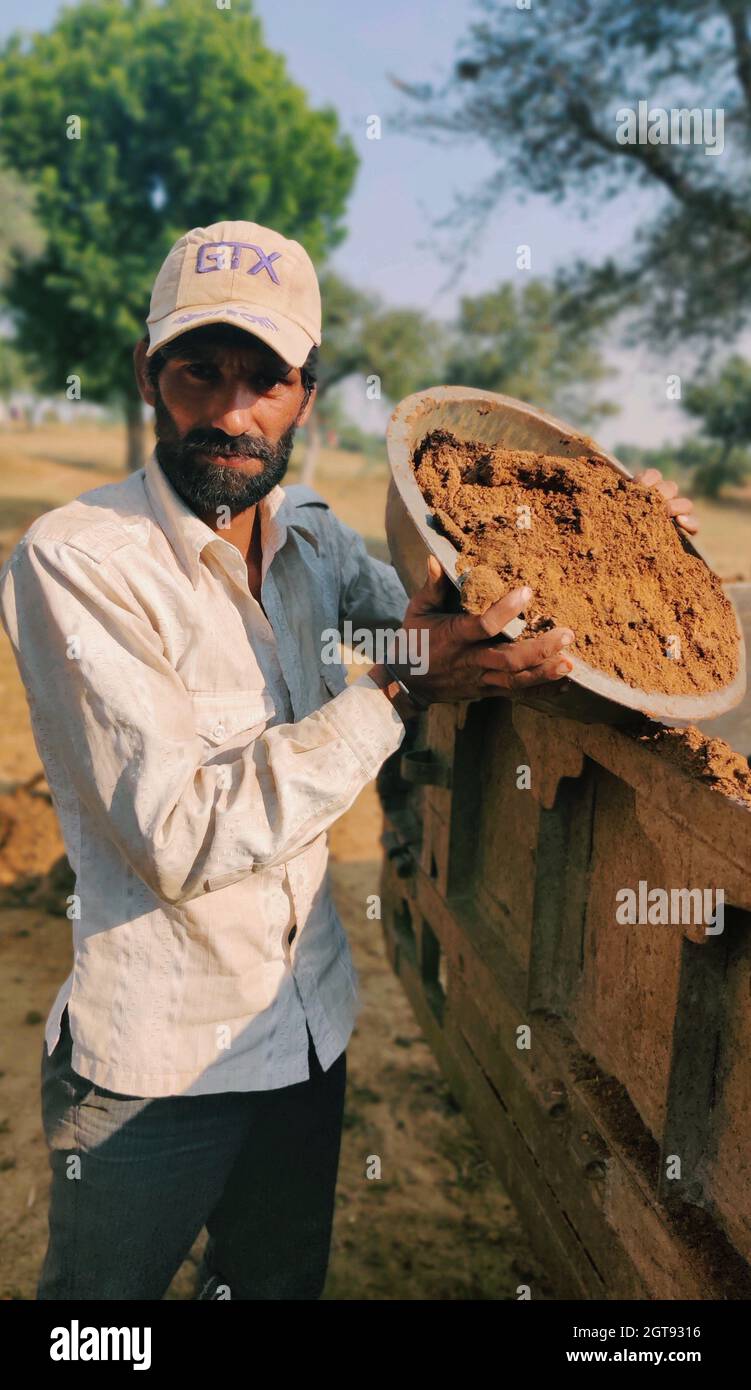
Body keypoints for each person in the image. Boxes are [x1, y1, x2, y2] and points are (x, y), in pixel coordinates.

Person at [0, 219, 697, 1300]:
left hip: (306, 1036)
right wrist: (403, 685)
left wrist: (620, 538)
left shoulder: (316, 540)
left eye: (265, 378)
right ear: (149, 374)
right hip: (153, 1072)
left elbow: (455, 623)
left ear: (307, 393)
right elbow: (179, 835)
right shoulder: (78, 561)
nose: (231, 411)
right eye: (200, 370)